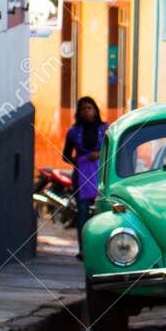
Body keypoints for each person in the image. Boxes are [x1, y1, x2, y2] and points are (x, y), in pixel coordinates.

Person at [63, 96, 104, 257]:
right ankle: (83, 250)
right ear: (79, 112)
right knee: (83, 213)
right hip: (82, 179)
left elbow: (114, 150)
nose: (87, 111)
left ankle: (101, 249)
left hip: (101, 177)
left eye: (90, 108)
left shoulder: (105, 129)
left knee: (101, 213)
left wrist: (99, 155)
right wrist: (81, 162)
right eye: (83, 109)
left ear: (95, 110)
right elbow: (65, 156)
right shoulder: (73, 132)